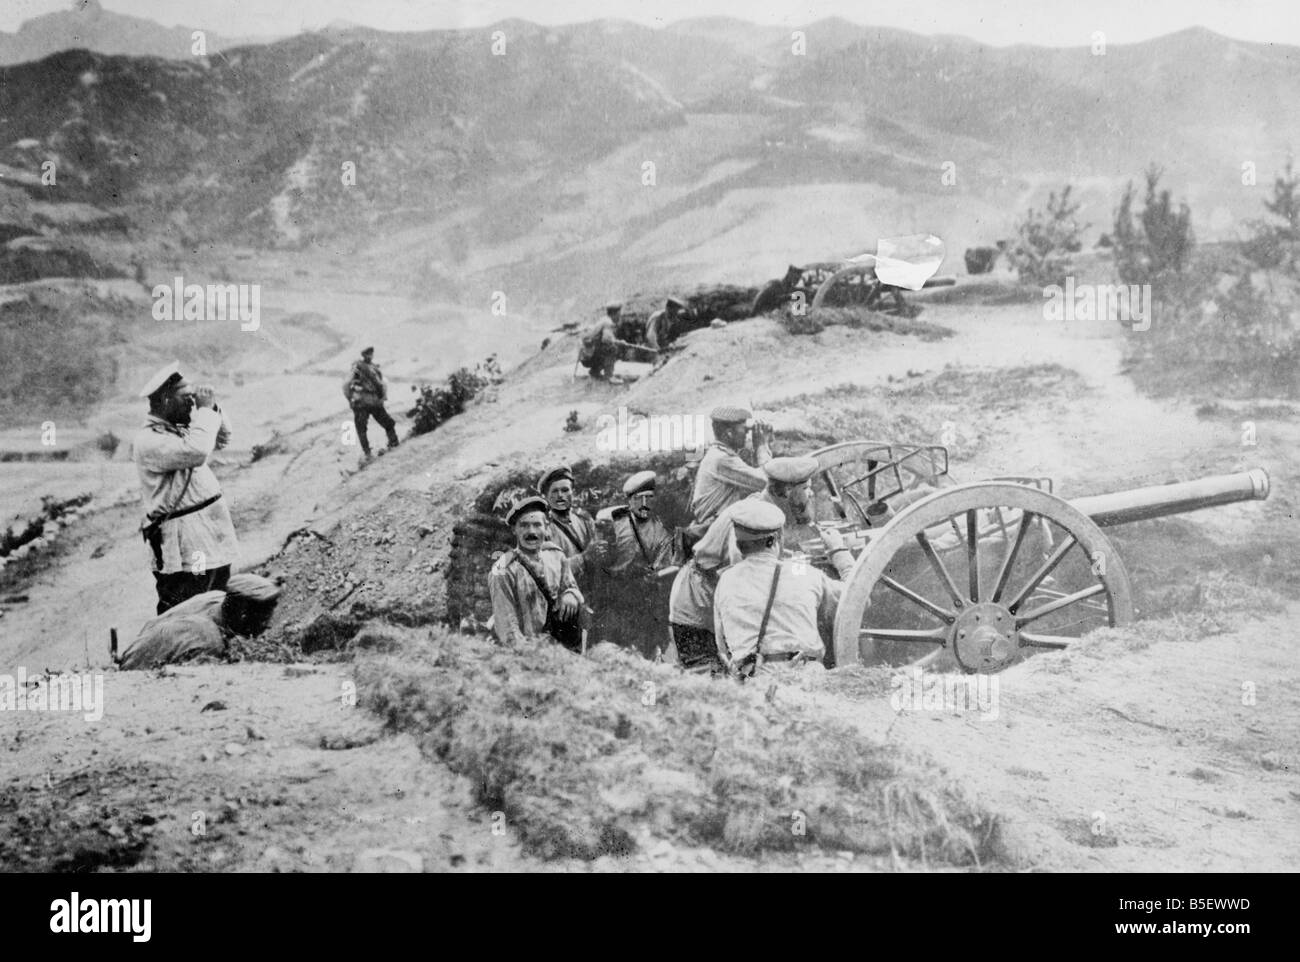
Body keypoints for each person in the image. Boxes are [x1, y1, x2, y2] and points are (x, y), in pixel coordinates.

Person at [668, 455, 818, 672]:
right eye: (805, 488)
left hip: (714, 601)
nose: (810, 494)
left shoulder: (767, 512)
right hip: (697, 610)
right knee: (715, 686)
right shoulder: (750, 517)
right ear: (786, 491)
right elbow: (746, 577)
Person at [133, 362, 239, 615]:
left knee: (215, 602)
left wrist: (211, 408)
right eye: (186, 398)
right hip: (185, 542)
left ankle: (209, 653)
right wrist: (203, 412)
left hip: (208, 533)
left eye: (193, 398)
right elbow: (197, 451)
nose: (191, 404)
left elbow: (223, 439)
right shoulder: (149, 440)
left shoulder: (181, 430)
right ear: (166, 400)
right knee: (185, 609)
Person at [712, 500, 855, 677]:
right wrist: (838, 551)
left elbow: (722, 648)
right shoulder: (803, 573)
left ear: (739, 544)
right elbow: (855, 598)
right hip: (805, 679)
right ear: (776, 538)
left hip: (752, 683)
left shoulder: (725, 581)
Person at [590, 470, 676, 658]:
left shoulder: (661, 532)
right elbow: (599, 561)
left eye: (649, 498)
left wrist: (655, 576)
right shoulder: (614, 523)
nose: (644, 504)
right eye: (638, 498)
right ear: (629, 500)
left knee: (642, 657)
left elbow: (664, 566)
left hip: (642, 602)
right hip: (613, 602)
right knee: (608, 655)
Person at [120, 573, 281, 670]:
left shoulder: (215, 598)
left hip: (136, 648)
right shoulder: (209, 641)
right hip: (136, 670)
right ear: (242, 613)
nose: (265, 625)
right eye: (261, 619)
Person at [488, 496, 584, 651]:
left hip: (556, 647)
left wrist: (570, 594)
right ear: (514, 529)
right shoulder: (504, 569)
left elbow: (571, 586)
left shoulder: (556, 556)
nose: (531, 532)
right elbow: (507, 625)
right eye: (524, 525)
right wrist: (529, 654)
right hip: (524, 651)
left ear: (546, 528)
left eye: (537, 525)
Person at [689, 405, 773, 525]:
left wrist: (760, 446)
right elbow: (767, 481)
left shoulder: (717, 453)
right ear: (729, 433)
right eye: (744, 429)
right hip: (712, 529)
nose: (746, 434)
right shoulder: (722, 459)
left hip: (715, 523)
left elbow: (756, 482)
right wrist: (761, 446)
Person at [537, 466, 598, 587]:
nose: (560, 495)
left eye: (565, 490)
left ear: (573, 493)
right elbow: (549, 571)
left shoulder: (584, 519)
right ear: (546, 496)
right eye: (554, 491)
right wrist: (584, 558)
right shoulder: (543, 528)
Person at [344, 346, 399, 460]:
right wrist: (350, 398)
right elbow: (346, 385)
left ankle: (391, 444)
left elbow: (381, 384)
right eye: (368, 354)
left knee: (386, 423)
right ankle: (370, 454)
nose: (369, 356)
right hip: (366, 403)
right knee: (362, 428)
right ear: (364, 355)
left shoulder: (370, 367)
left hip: (369, 402)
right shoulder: (359, 368)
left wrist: (351, 398)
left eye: (370, 353)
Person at [578, 303, 639, 381]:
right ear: (614, 313)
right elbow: (606, 340)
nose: (620, 316)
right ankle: (609, 376)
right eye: (619, 314)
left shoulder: (603, 320)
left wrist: (617, 341)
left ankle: (595, 371)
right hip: (589, 358)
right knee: (613, 348)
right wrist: (620, 343)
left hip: (586, 356)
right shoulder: (608, 323)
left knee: (609, 347)